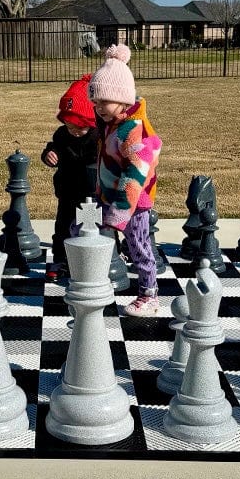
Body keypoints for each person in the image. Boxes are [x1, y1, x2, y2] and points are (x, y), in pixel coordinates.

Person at [88, 43, 163, 316]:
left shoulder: (132, 129)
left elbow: (135, 171)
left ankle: (149, 294)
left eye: (103, 101)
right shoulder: (113, 125)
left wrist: (120, 211)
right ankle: (94, 278)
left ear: (122, 98)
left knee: (140, 248)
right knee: (92, 233)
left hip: (134, 203)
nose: (97, 108)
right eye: (95, 102)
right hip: (111, 197)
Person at [40, 74, 100, 279]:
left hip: (90, 197)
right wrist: (49, 154)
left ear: (91, 121)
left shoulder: (98, 136)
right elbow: (51, 147)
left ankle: (97, 261)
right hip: (66, 193)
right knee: (63, 229)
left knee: (91, 229)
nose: (74, 131)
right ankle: (60, 261)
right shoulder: (60, 135)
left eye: (80, 127)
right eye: (69, 125)